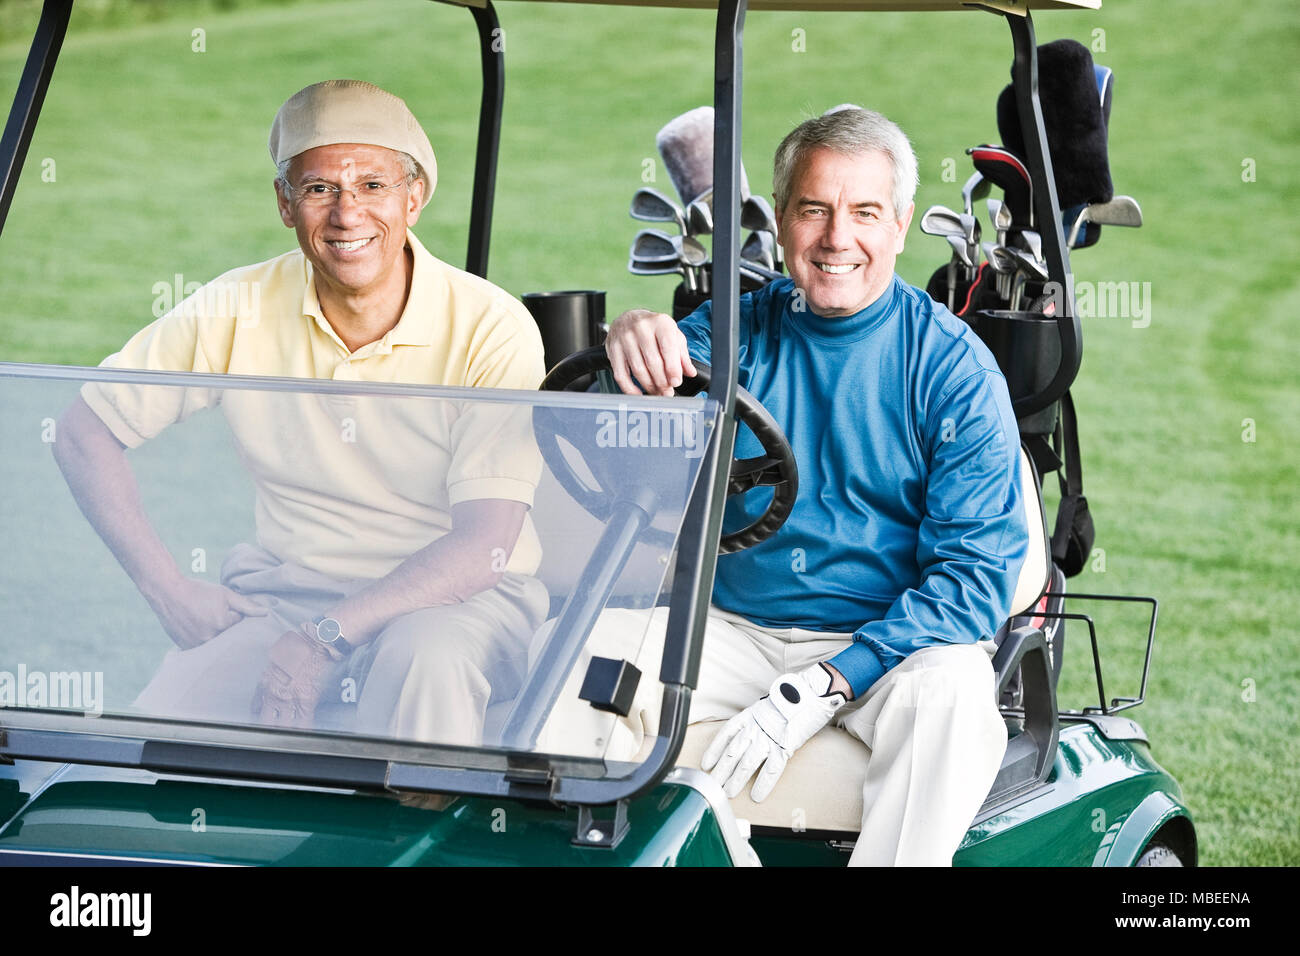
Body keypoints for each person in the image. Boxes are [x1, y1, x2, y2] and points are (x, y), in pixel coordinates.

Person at [556, 106, 1028, 865]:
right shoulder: (733, 328)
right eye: (815, 210)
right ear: (780, 222)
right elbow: (626, 403)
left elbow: (972, 586)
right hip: (731, 628)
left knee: (956, 694)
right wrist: (631, 339)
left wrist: (829, 684)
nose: (838, 238)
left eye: (865, 213)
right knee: (569, 661)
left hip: (883, 648)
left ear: (901, 225)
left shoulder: (953, 370)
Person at [52, 79, 548, 746]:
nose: (347, 214)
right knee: (165, 728)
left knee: (422, 663)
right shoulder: (236, 305)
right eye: (320, 189)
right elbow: (83, 434)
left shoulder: (493, 325)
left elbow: (483, 546)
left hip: (460, 601)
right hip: (290, 592)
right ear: (286, 205)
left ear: (414, 197)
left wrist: (323, 641)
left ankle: (409, 841)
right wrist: (167, 589)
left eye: (372, 185)